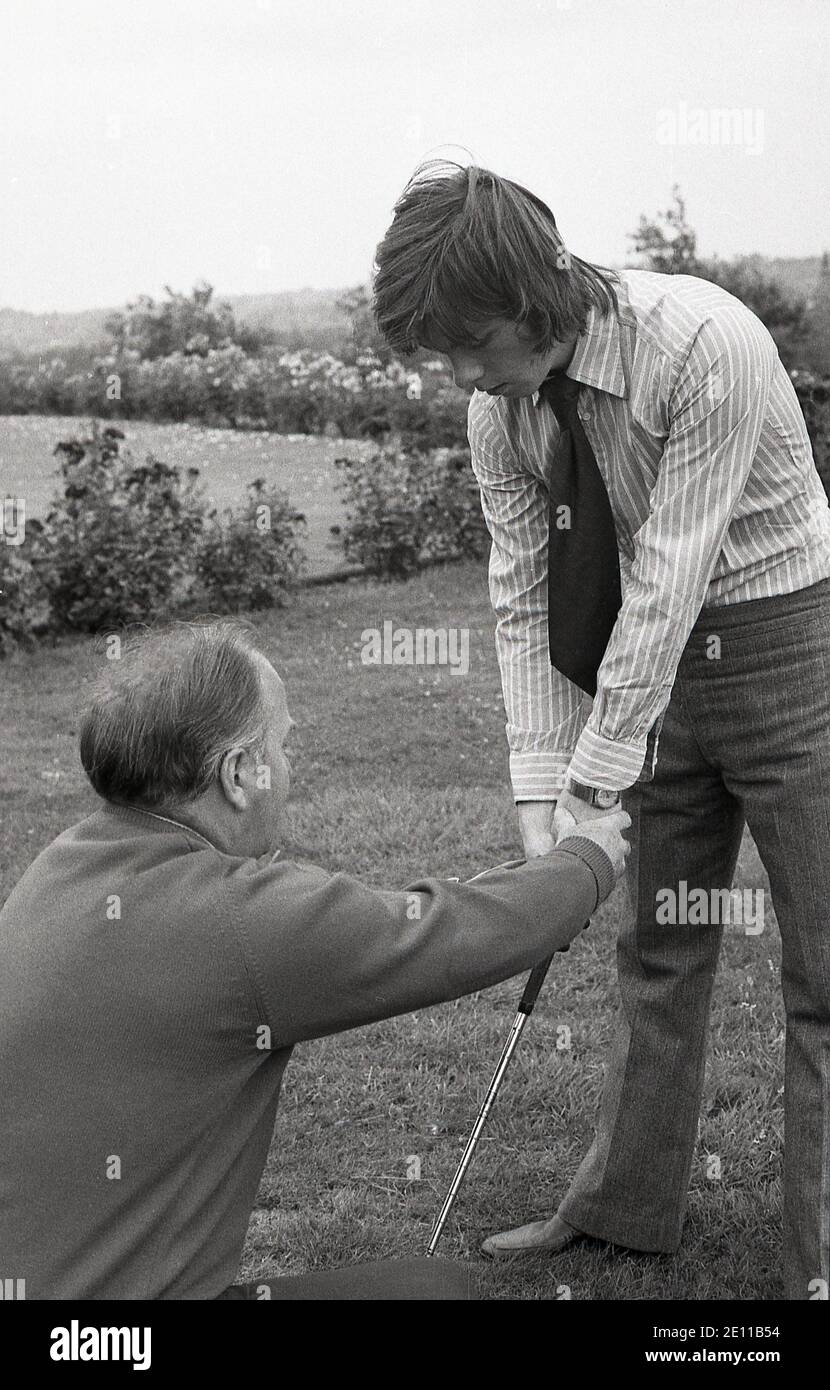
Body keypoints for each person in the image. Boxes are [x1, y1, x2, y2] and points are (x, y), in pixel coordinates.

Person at [372, 158, 830, 1300]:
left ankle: (818, 1260)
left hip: (786, 642)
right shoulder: (502, 411)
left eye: (470, 339)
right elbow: (522, 595)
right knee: (655, 945)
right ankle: (622, 1209)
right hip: (652, 665)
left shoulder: (701, 342)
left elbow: (673, 574)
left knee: (822, 969)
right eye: (442, 352)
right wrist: (543, 794)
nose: (462, 373)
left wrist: (595, 779)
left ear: (534, 295)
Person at [0, 619, 629, 1300]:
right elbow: (453, 934)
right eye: (285, 743)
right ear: (239, 774)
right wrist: (589, 858)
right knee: (440, 1294)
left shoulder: (56, 870)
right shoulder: (235, 920)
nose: (292, 767)